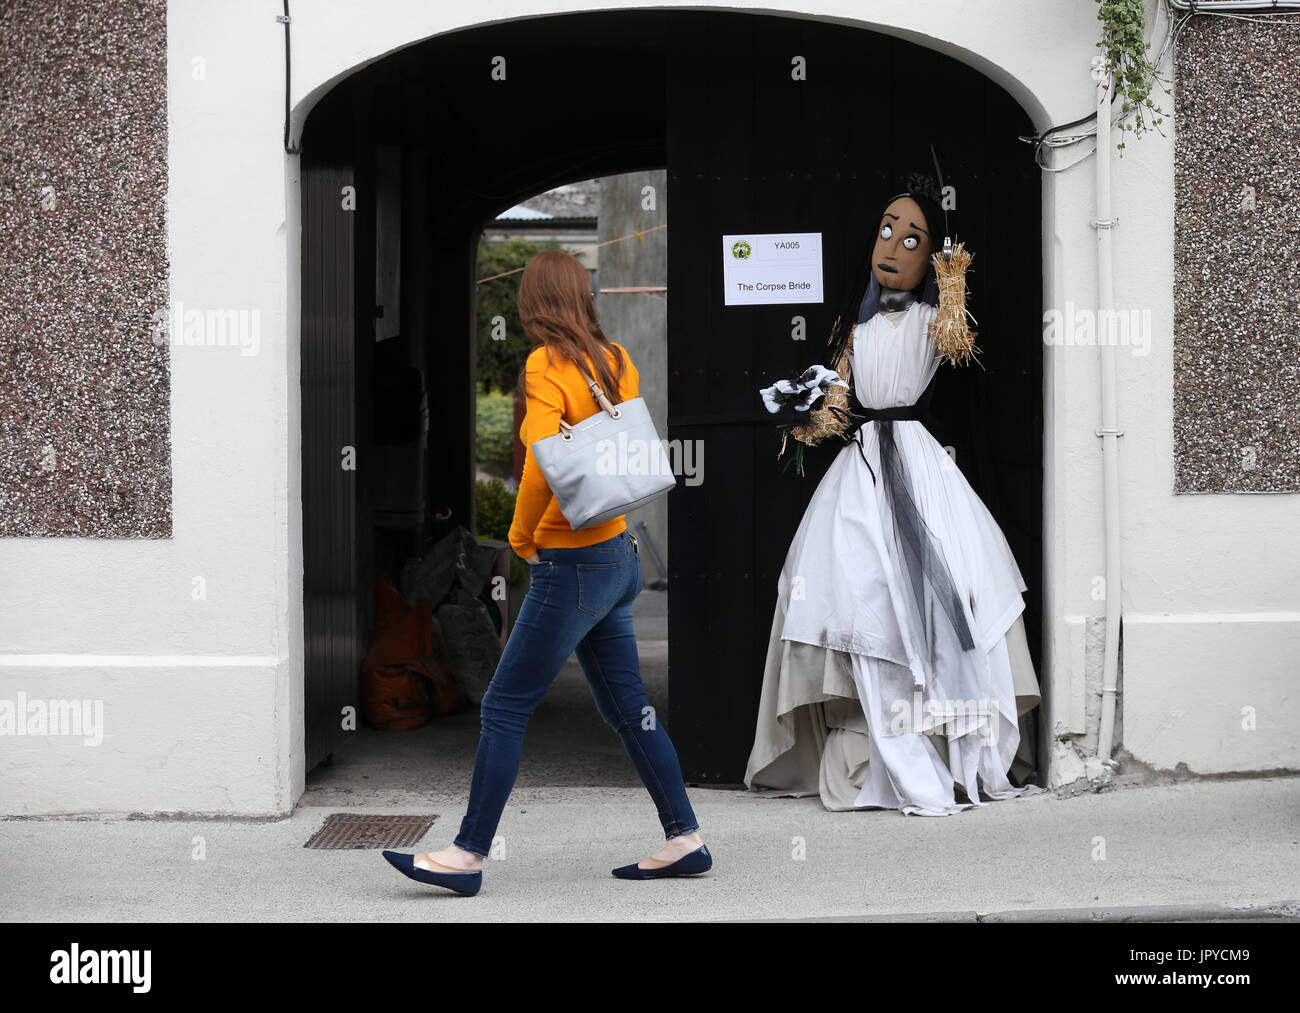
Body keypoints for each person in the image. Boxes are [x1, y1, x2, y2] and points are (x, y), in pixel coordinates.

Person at [382, 249, 710, 894]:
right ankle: (685, 838)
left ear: (535, 304)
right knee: (630, 710)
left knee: (504, 707)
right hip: (619, 555)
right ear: (582, 296)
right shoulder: (614, 359)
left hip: (572, 563)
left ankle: (468, 855)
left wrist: (519, 535)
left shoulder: (544, 364)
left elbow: (540, 460)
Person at [745, 190, 1044, 815]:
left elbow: (959, 345)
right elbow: (839, 406)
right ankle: (874, 729)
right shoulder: (852, 329)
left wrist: (952, 280)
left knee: (947, 585)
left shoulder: (931, 323)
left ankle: (947, 731)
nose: (893, 247)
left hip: (916, 457)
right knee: (858, 585)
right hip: (862, 462)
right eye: (887, 231)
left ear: (931, 255)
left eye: (912, 239)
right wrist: (805, 420)